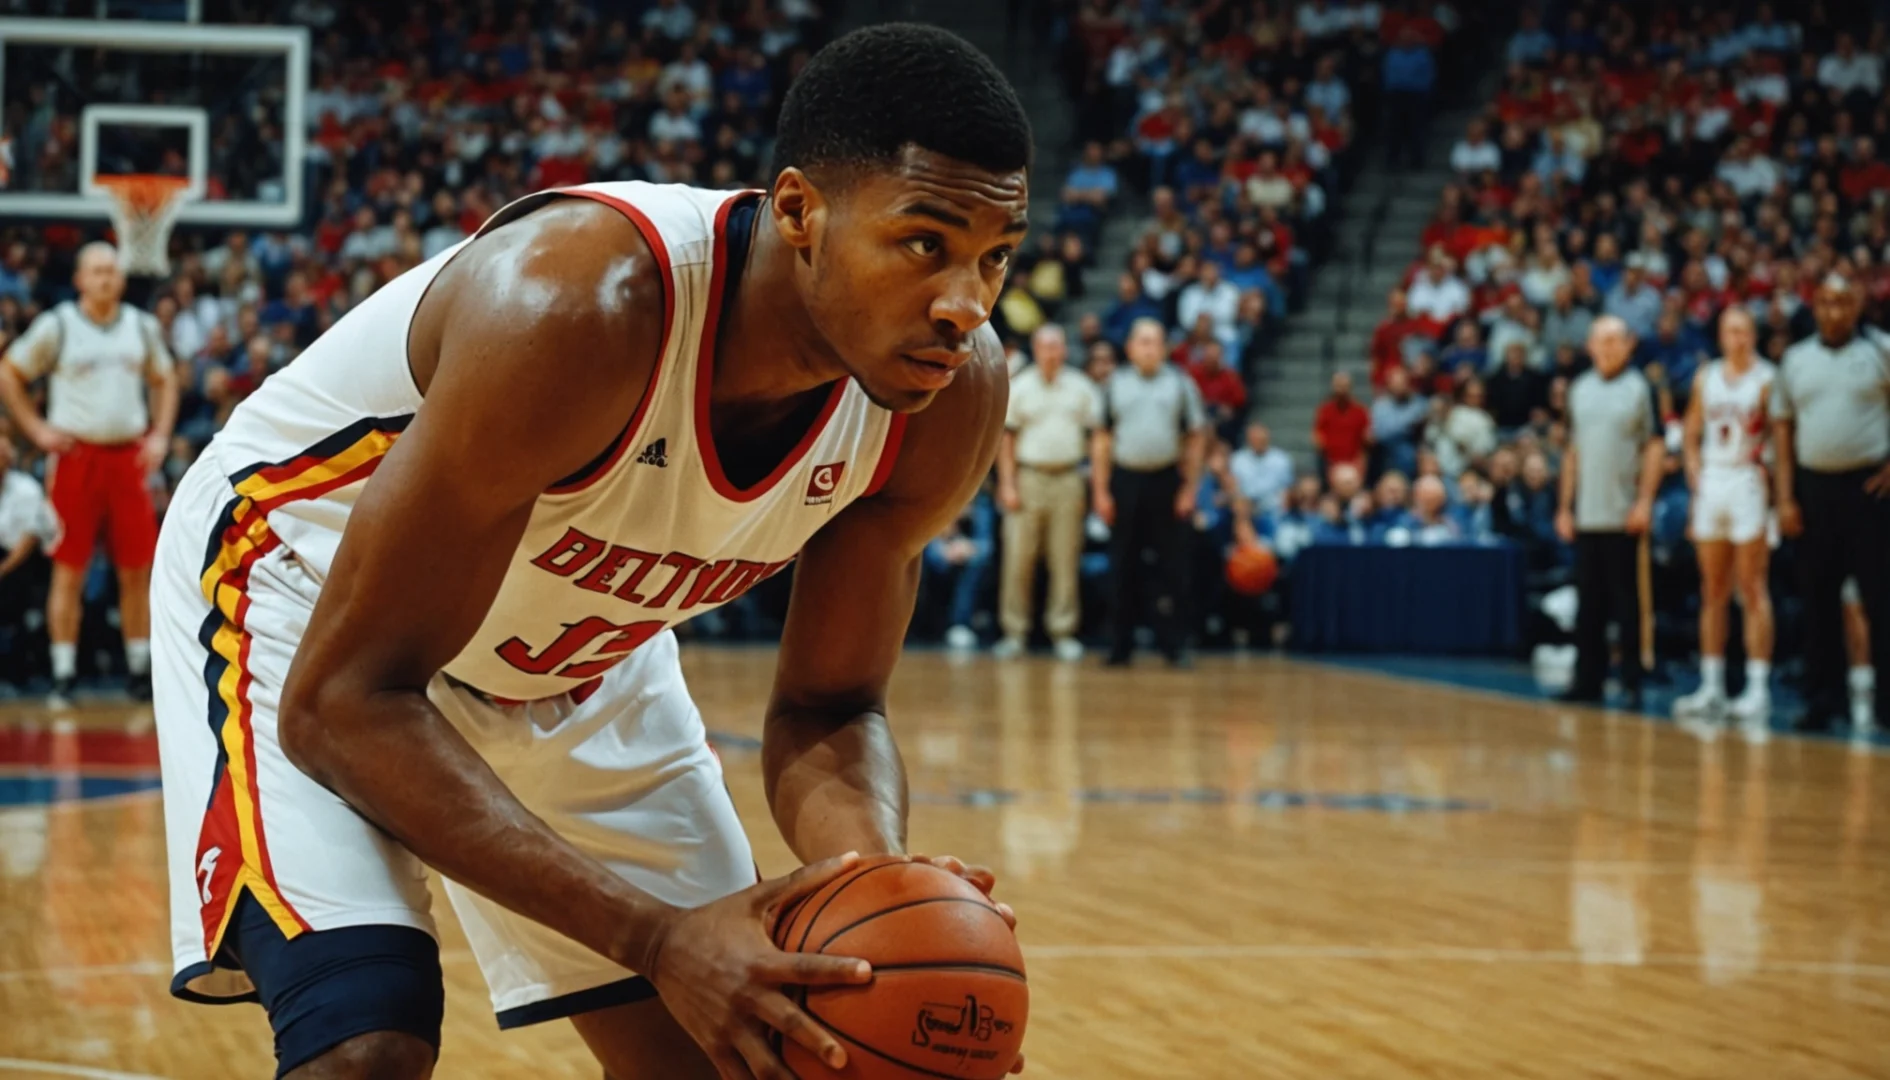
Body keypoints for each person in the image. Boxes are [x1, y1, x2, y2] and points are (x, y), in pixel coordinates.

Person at [146, 25, 1031, 1080]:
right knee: (366, 1044)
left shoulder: (948, 395)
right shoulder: (580, 303)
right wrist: (655, 938)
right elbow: (344, 702)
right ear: (799, 211)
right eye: (926, 244)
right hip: (304, 590)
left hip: (577, 649)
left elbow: (831, 708)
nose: (964, 305)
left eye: (995, 259)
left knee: (737, 1045)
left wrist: (879, 891)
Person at [0, 242, 178, 704]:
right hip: (76, 459)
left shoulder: (140, 326)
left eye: (112, 271)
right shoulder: (57, 325)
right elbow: (9, 372)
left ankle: (140, 670)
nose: (105, 278)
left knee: (137, 569)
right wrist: (36, 429)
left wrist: (160, 435)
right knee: (69, 569)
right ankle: (64, 673)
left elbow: (166, 378)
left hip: (128, 458)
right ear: (79, 279)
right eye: (96, 271)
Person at [1771, 274, 1890, 732]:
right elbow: (1782, 428)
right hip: (1813, 489)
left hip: (1870, 490)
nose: (1833, 311)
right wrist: (1784, 498)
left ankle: (1885, 705)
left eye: (1842, 302)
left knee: (1880, 599)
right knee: (1817, 600)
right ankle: (1825, 701)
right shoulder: (1796, 360)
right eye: (1825, 303)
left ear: (1857, 305)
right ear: (1815, 307)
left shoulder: (1880, 351)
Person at [1674, 307, 1777, 725]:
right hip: (1714, 481)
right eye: (1729, 330)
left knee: (1752, 587)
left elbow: (1779, 435)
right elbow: (1691, 428)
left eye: (1743, 330)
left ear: (1754, 335)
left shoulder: (1768, 379)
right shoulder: (1707, 377)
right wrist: (1694, 468)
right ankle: (1712, 685)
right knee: (1711, 588)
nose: (1736, 337)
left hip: (1749, 480)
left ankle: (1757, 688)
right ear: (1720, 335)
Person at [1558, 316, 1665, 707]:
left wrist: (1644, 502)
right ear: (1589, 346)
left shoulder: (1640, 388)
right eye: (1600, 340)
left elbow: (1654, 447)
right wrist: (1565, 508)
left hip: (1625, 515)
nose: (1607, 347)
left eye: (1614, 340)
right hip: (1587, 514)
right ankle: (1587, 681)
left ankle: (1634, 682)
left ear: (1628, 345)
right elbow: (1572, 452)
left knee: (1629, 605)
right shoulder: (1579, 389)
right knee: (1589, 605)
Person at [1092, 317, 1208, 667]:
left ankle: (1173, 645)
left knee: (1173, 568)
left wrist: (1189, 489)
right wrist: (1101, 491)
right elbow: (1101, 440)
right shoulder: (1114, 385)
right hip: (1125, 481)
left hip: (1166, 482)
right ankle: (1120, 646)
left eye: (1154, 342)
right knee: (1122, 565)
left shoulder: (1181, 385)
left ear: (1164, 348)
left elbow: (1196, 437)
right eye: (1141, 341)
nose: (1147, 348)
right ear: (1129, 347)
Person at [995, 323, 1097, 661]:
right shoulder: (1020, 386)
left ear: (1064, 350)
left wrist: (1096, 485)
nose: (1051, 353)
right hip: (1029, 478)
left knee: (1065, 558)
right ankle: (1014, 631)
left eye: (1057, 346)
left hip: (1069, 478)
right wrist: (1007, 484)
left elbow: (1097, 437)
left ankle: (1063, 631)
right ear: (1036, 350)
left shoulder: (1081, 387)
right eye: (1045, 347)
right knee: (1018, 558)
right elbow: (1005, 440)